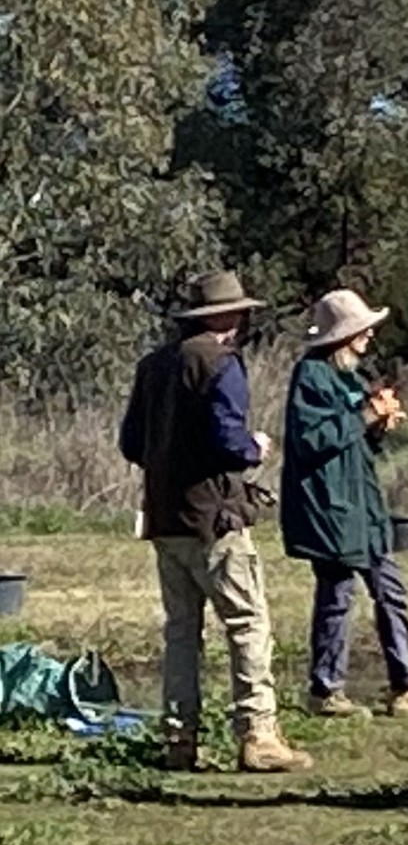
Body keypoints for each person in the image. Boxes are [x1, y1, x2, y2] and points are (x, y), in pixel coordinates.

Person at [119, 269, 312, 773]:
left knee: (182, 632)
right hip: (215, 518)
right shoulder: (220, 363)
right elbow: (229, 440)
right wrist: (256, 448)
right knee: (248, 622)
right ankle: (258, 733)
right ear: (226, 316)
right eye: (241, 311)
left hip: (165, 517)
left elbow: (131, 444)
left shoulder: (153, 365)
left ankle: (179, 739)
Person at [281, 288, 408, 719]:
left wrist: (376, 425)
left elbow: (353, 438)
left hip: (363, 506)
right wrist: (365, 416)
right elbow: (312, 439)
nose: (369, 337)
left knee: (391, 592)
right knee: (337, 596)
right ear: (342, 336)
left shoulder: (350, 377)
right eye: (362, 330)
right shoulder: (311, 376)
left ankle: (406, 684)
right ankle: (325, 690)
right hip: (331, 508)